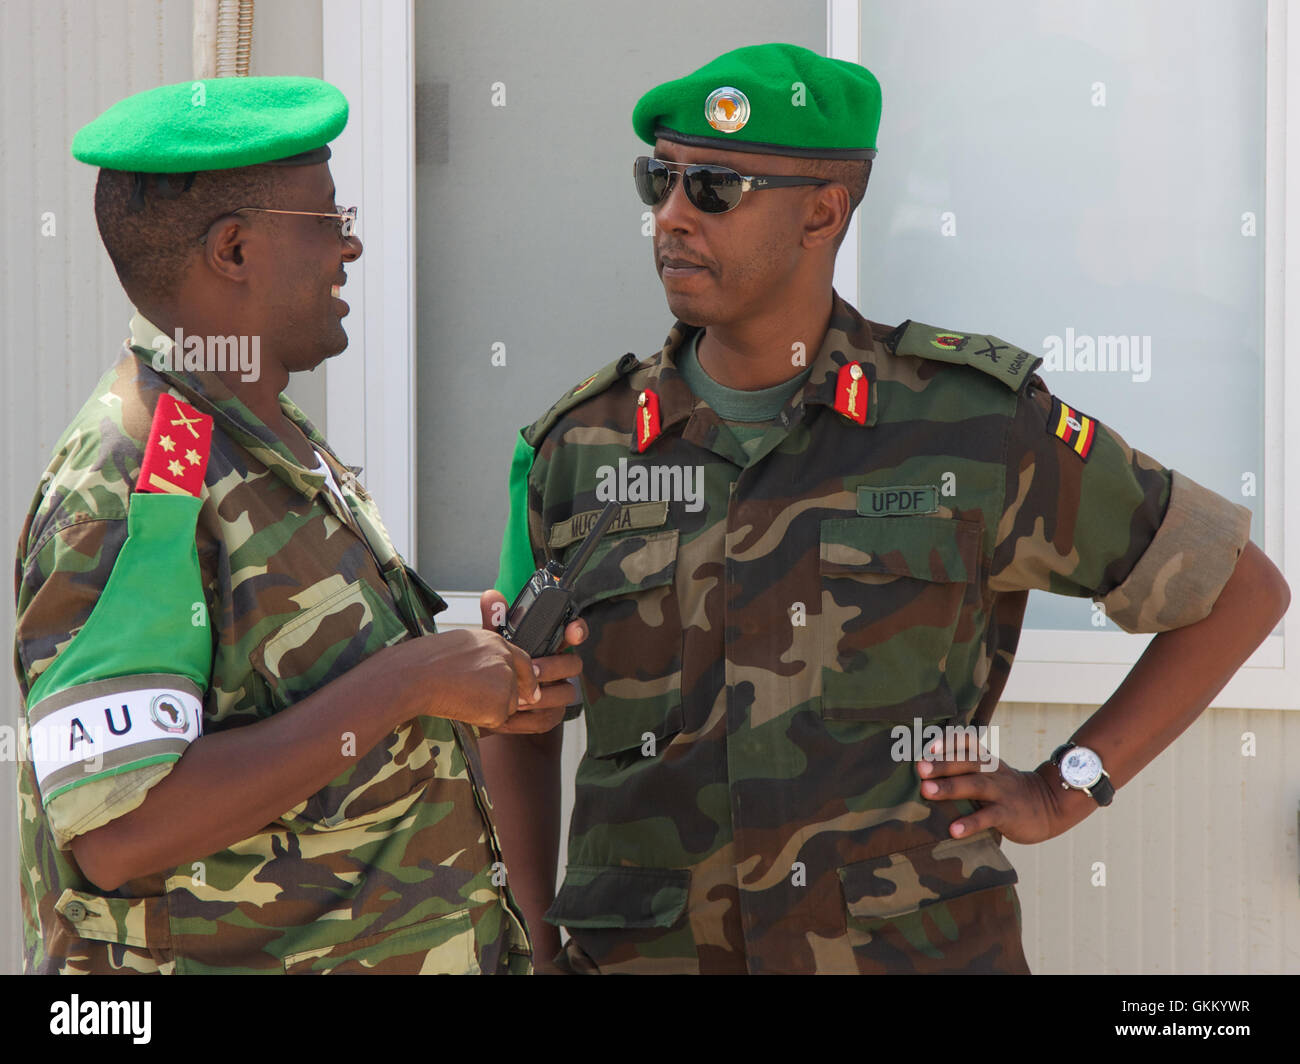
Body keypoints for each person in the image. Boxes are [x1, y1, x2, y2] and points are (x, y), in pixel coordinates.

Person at [482, 43, 1291, 974]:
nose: (669, 217)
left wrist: (1066, 787)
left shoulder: (971, 424)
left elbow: (1240, 593)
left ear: (823, 210)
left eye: (713, 189)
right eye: (658, 181)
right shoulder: (578, 451)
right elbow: (514, 713)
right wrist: (534, 937)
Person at [14, 75, 583, 974]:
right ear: (234, 249)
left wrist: (471, 687)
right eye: (327, 219)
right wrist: (412, 681)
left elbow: (307, 721)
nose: (350, 245)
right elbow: (120, 827)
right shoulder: (141, 473)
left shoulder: (259, 429)